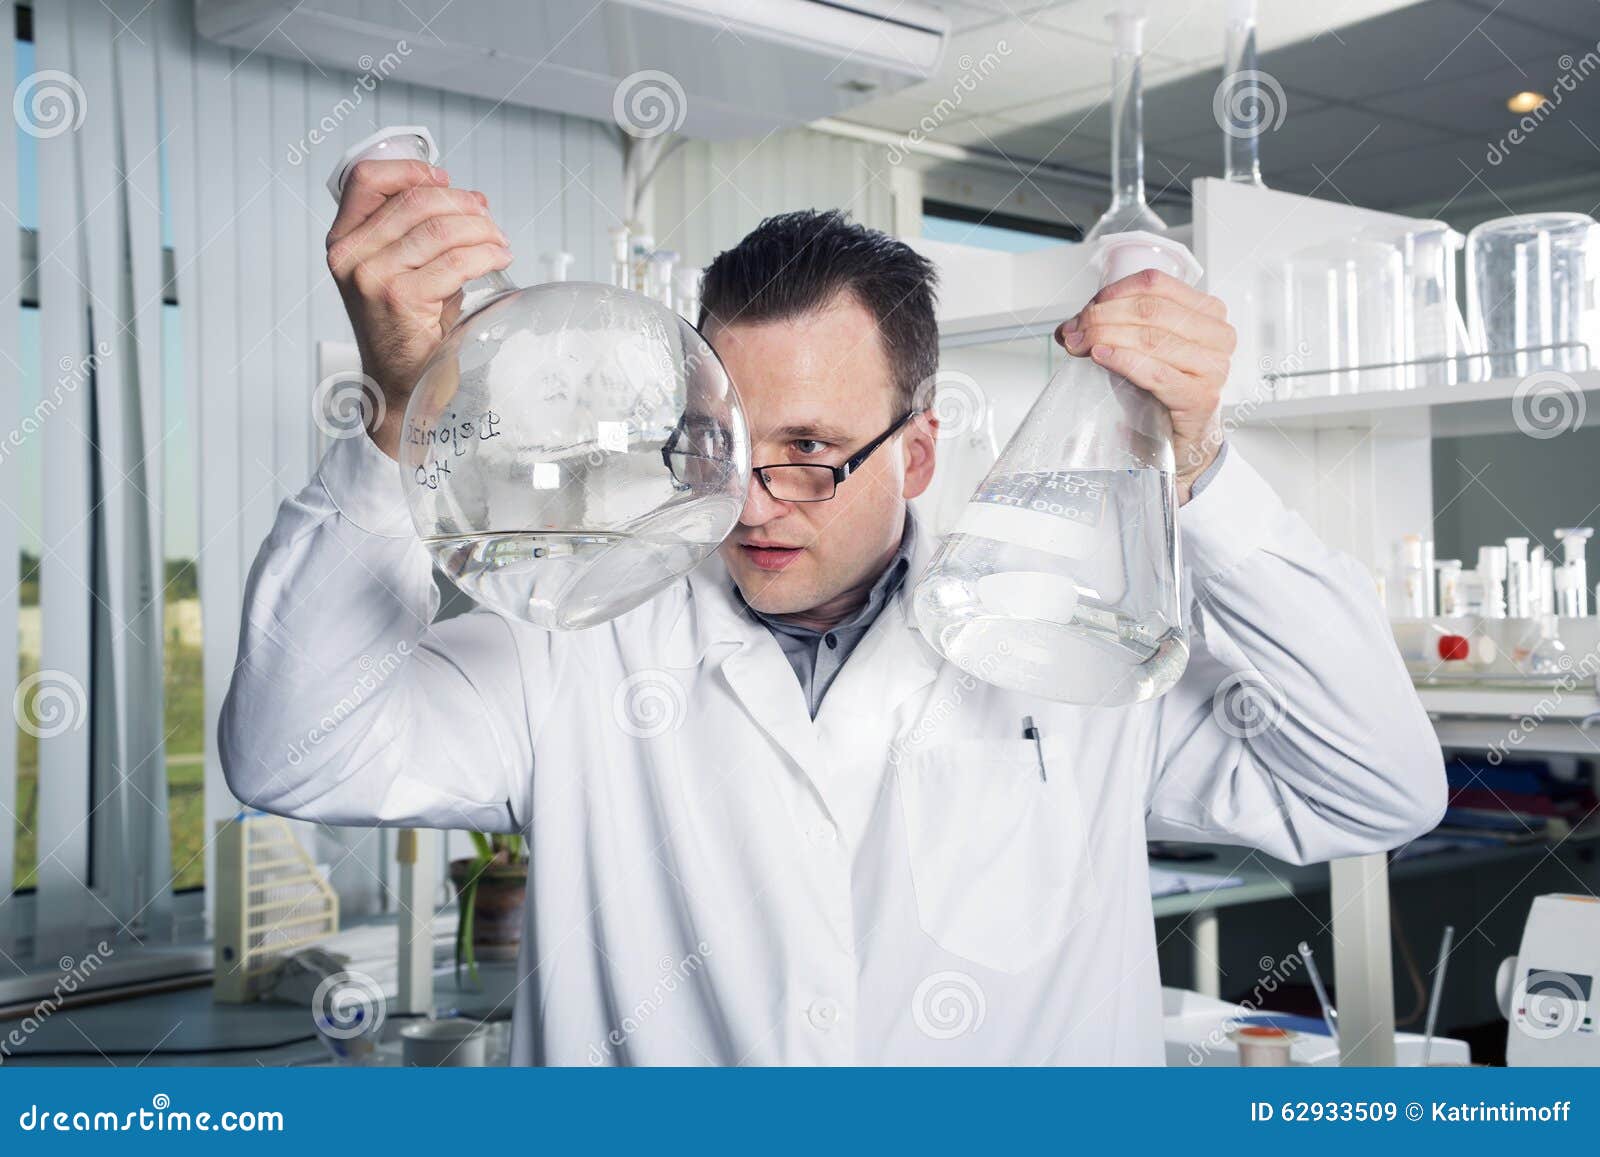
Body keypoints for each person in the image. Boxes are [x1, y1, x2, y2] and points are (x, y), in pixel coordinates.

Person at [220, 159, 1445, 1065]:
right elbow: (292, 751)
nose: (750, 500)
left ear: (915, 452)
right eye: (719, 444)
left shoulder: (1056, 638)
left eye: (808, 449)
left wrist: (1203, 475)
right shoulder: (580, 639)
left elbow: (1374, 787)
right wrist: (395, 417)